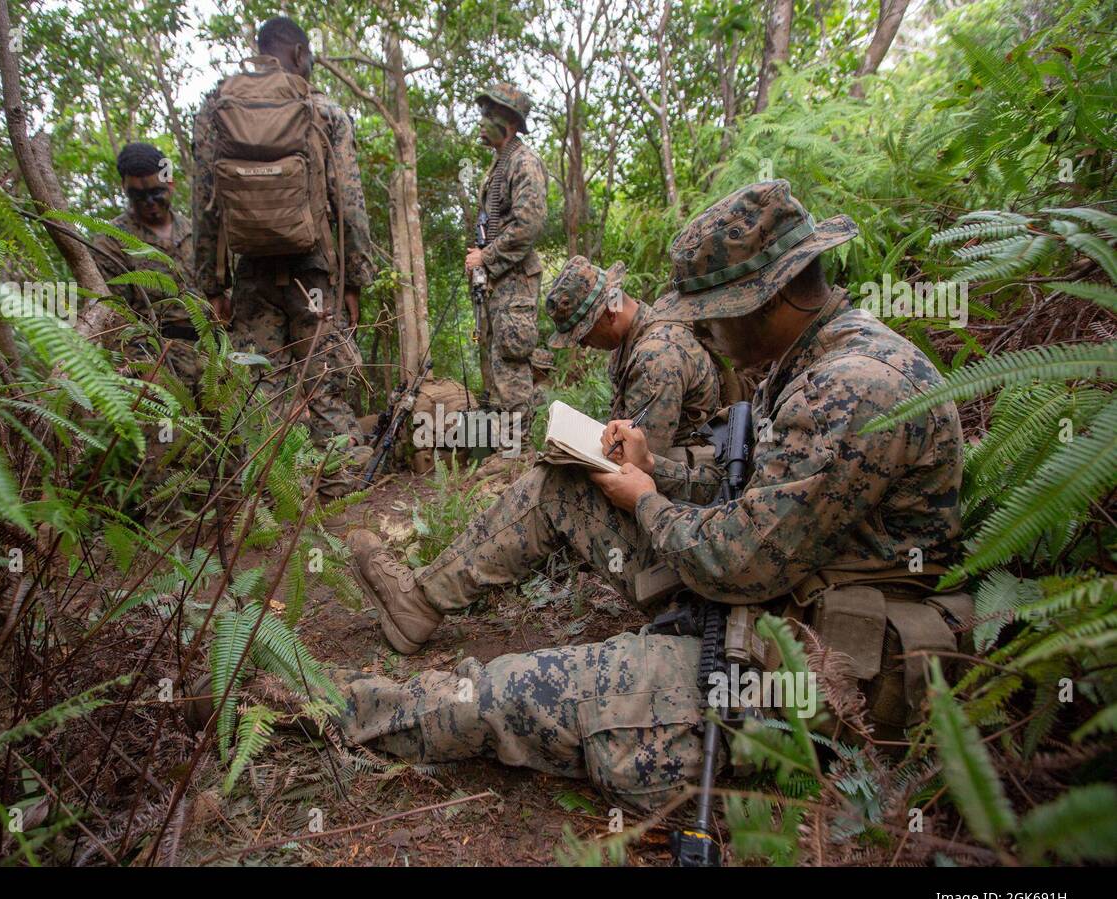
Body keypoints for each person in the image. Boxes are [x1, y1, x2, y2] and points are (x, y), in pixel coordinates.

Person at [332, 180, 966, 811]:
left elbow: (736, 561)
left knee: (524, 694)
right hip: (769, 602)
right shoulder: (811, 363)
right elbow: (751, 492)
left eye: (712, 317)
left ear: (758, 300)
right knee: (564, 485)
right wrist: (655, 470)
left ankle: (340, 711)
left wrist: (646, 500)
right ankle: (418, 604)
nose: (706, 335)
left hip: (815, 668)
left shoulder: (853, 387)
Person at [192, 15, 376, 489]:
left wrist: (212, 285)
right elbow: (350, 204)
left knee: (258, 389)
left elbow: (204, 203)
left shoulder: (217, 108)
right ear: (297, 54)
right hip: (314, 276)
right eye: (310, 55)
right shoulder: (326, 113)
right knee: (324, 386)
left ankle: (271, 507)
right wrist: (355, 279)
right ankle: (340, 501)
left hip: (251, 274)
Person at [545, 255, 719, 458]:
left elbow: (639, 458)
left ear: (611, 312)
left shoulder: (655, 357)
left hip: (682, 473)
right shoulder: (631, 340)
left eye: (584, 334)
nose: (583, 345)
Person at [467, 83, 548, 441]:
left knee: (511, 361)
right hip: (498, 280)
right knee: (496, 362)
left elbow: (528, 225)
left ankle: (517, 454)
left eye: (490, 114)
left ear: (510, 121)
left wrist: (486, 255)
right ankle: (505, 449)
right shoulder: (499, 164)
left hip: (514, 279)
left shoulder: (523, 162)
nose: (482, 122)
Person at [92, 142, 201, 392]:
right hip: (155, 360)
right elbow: (113, 318)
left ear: (170, 183)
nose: (149, 202)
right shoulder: (111, 241)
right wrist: (141, 368)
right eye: (138, 196)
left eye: (156, 192)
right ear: (125, 189)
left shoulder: (196, 231)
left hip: (210, 356)